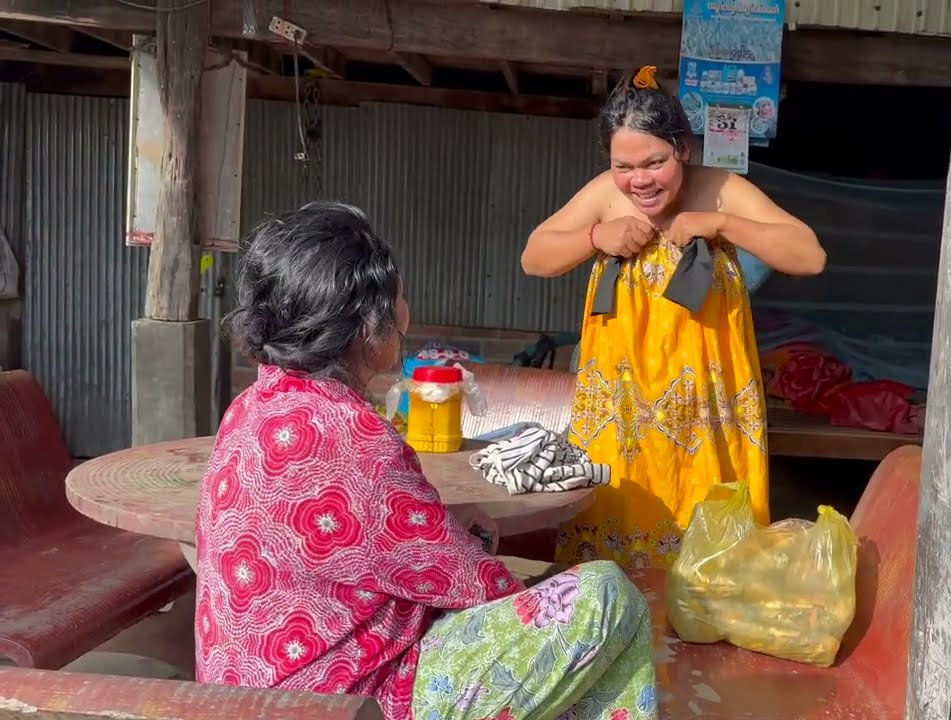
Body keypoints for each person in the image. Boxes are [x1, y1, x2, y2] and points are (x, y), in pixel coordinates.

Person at [195, 202, 658, 720]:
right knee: (604, 598)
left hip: (250, 689)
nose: (405, 312)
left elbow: (370, 544)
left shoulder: (255, 406)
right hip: (344, 699)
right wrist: (506, 574)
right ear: (366, 324)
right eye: (399, 298)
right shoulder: (352, 435)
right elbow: (477, 585)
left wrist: (456, 531)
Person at [522, 67, 825, 569]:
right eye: (624, 166)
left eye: (655, 162)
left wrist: (723, 223)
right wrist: (595, 237)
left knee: (704, 531)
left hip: (703, 408)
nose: (639, 179)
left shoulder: (724, 189)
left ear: (683, 148)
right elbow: (535, 257)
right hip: (623, 407)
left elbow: (808, 256)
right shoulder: (605, 194)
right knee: (614, 530)